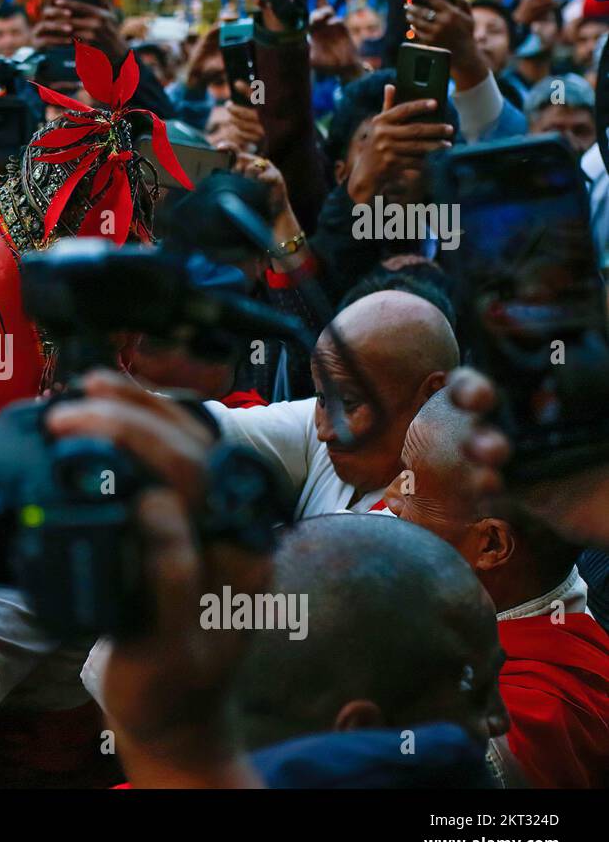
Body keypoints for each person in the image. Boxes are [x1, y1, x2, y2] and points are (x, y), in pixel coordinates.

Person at [386, 390, 609, 787]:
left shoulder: (533, 713)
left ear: (490, 545)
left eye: (410, 488)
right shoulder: (447, 558)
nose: (389, 500)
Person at [207, 289, 458, 517]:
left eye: (348, 403)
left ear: (431, 395)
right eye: (322, 398)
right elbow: (206, 426)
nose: (324, 432)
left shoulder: (439, 509)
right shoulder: (324, 428)